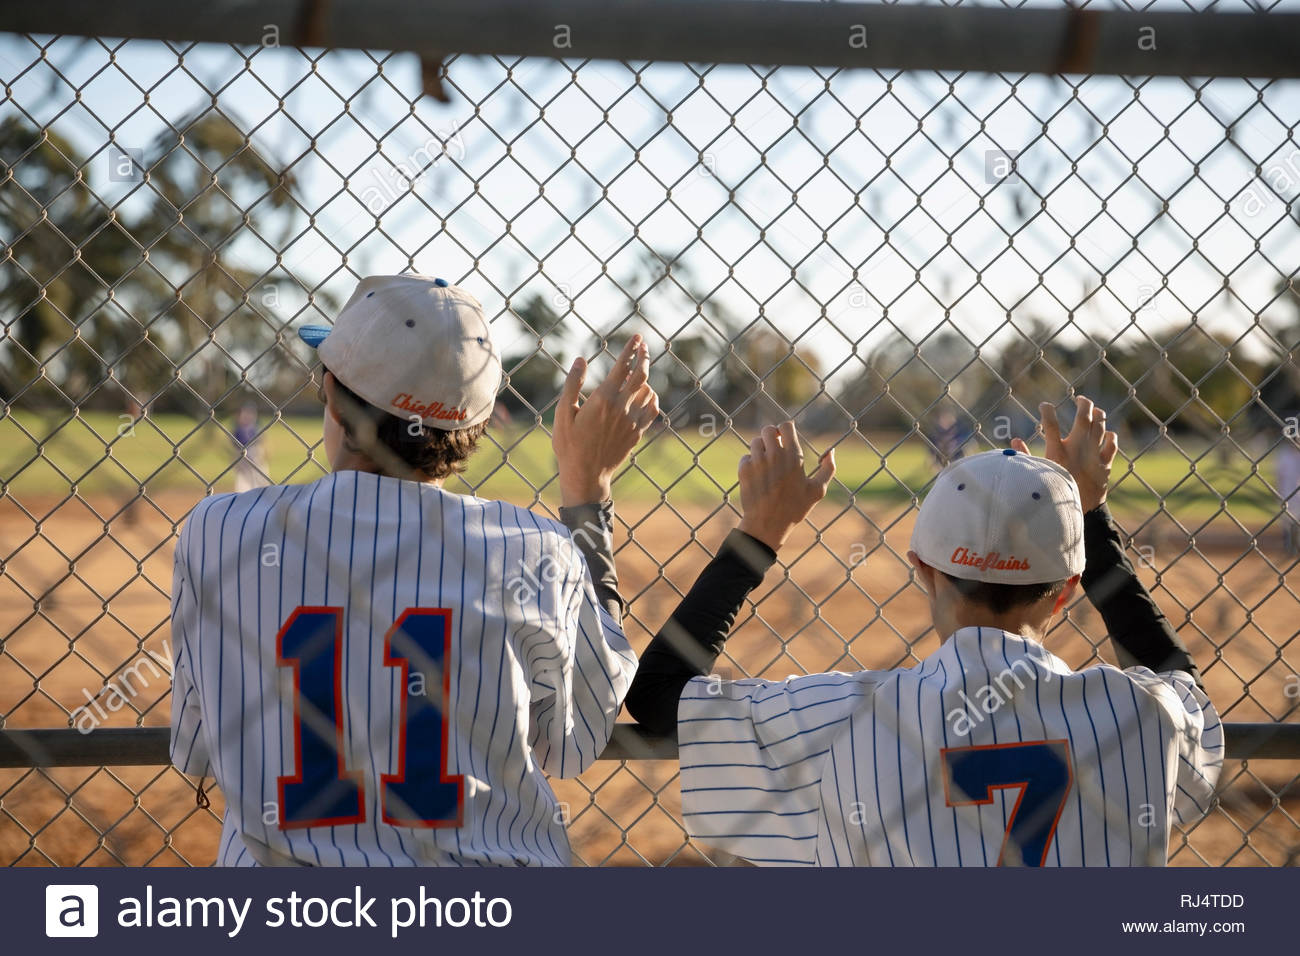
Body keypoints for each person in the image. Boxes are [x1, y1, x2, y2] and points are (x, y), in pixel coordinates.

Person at [169, 274, 659, 866]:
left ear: (331, 392)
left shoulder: (220, 532)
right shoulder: (538, 551)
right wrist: (587, 495)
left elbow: (194, 749)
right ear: (477, 428)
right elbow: (577, 741)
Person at [626, 396, 1222, 866]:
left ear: (923, 571)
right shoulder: (1147, 718)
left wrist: (760, 532)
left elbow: (656, 695)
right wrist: (1090, 520)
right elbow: (1186, 691)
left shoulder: (843, 717)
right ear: (1069, 588)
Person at [231, 404, 269, 493]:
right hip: (241, 453)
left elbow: (262, 440)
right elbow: (233, 443)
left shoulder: (254, 427)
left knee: (259, 474)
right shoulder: (237, 429)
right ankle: (244, 493)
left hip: (254, 451)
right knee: (243, 476)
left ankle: (261, 491)